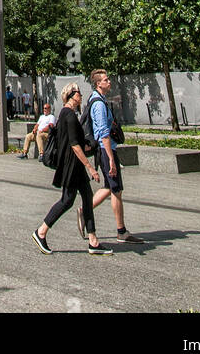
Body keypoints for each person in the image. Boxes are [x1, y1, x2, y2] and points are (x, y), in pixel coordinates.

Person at [32, 84, 110, 256]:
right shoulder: (68, 115)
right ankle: (41, 231)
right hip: (72, 165)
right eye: (79, 93)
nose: (81, 96)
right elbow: (74, 145)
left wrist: (87, 146)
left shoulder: (68, 114)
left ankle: (93, 241)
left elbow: (74, 142)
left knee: (87, 198)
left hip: (75, 165)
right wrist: (91, 168)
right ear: (71, 95)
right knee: (67, 200)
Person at [87, 69, 143, 244]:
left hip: (106, 149)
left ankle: (84, 210)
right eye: (106, 79)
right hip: (106, 150)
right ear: (98, 84)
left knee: (110, 187)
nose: (109, 81)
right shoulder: (97, 104)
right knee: (116, 190)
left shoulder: (99, 100)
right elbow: (103, 133)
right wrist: (111, 158)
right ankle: (121, 231)